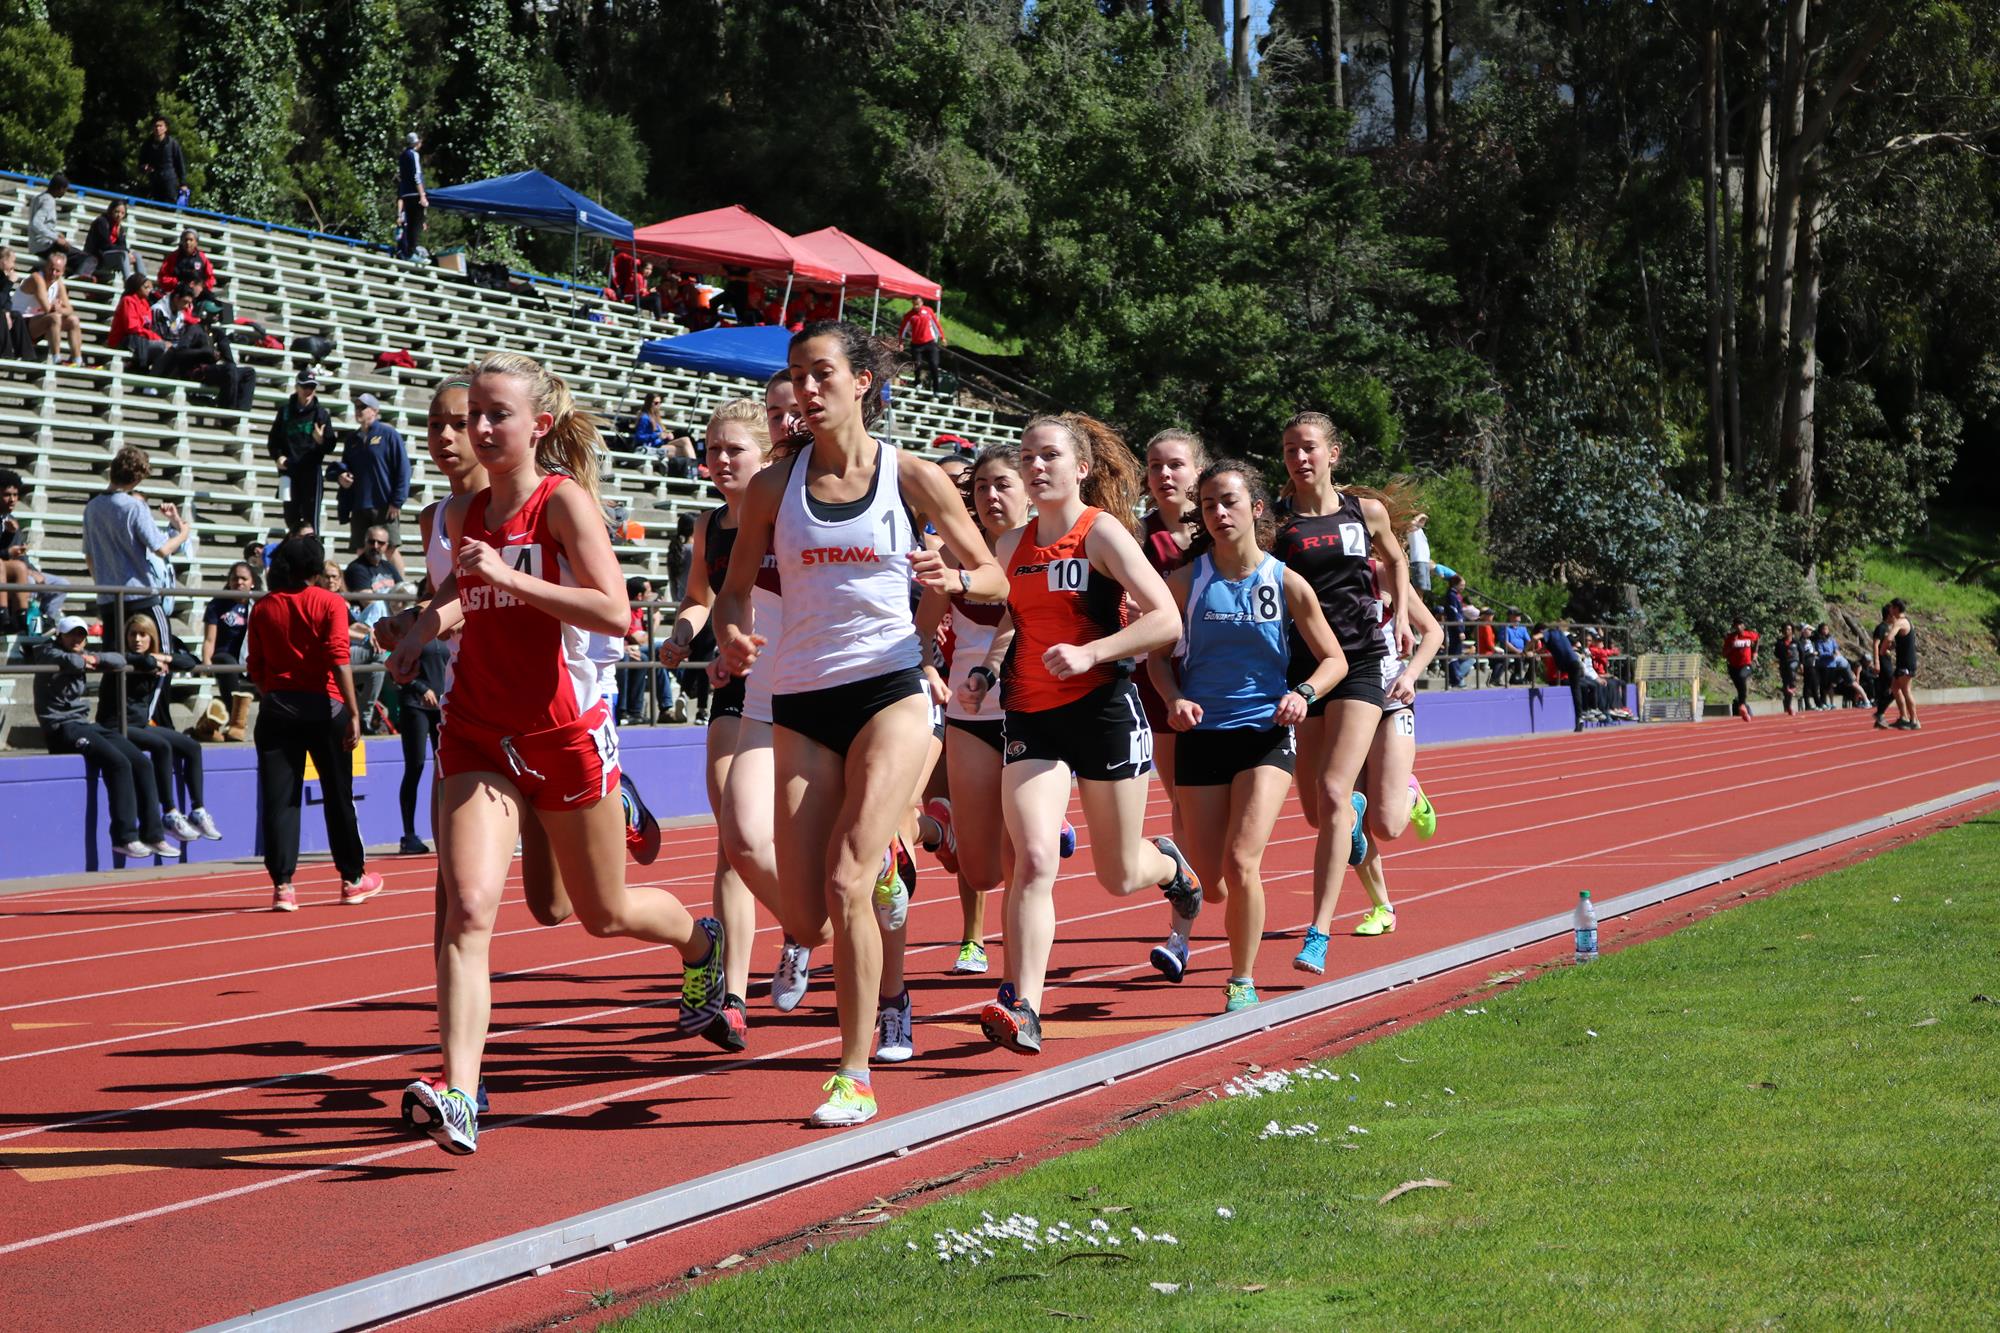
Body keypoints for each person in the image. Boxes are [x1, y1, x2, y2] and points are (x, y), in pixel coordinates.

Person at [387, 351, 721, 1156]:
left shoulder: (560, 503)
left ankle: (701, 944)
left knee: (592, 913)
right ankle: (462, 1092)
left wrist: (511, 576)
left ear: (537, 425)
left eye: (495, 414)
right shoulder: (459, 514)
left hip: (563, 731)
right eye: (473, 415)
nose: (477, 428)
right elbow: (459, 594)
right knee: (467, 909)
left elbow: (616, 614)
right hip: (477, 732)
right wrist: (417, 632)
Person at [711, 322, 1003, 1127]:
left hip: (892, 690)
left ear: (862, 381)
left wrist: (957, 572)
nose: (805, 390)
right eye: (796, 376)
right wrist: (733, 630)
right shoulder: (774, 486)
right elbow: (736, 588)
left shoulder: (907, 476)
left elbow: (996, 575)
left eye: (821, 374)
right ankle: (884, 874)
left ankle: (852, 1071)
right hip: (803, 699)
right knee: (807, 918)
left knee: (844, 878)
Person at [958, 413, 1196, 1050]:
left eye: (1050, 457)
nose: (1036, 467)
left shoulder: (1103, 534)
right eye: (1028, 456)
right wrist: (985, 671)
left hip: (1105, 711)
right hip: (1032, 716)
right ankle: (1026, 1007)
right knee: (1033, 858)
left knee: (1118, 874)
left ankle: (1168, 867)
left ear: (1080, 468)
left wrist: (1094, 653)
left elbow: (1166, 620)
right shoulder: (1012, 547)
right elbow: (1015, 624)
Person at [1150, 460, 1348, 1012]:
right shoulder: (1187, 582)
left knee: (1242, 863)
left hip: (1265, 733)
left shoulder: (1285, 580)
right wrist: (1173, 698)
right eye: (1209, 504)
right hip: (1201, 735)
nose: (1218, 513)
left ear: (1255, 509)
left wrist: (1303, 694)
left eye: (1229, 501)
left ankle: (1241, 979)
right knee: (1211, 882)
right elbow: (1157, 658)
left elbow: (1333, 658)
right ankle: (1182, 882)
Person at [656, 397, 794, 1049]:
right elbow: (700, 597)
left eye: (733, 449)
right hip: (733, 684)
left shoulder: (784, 514)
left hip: (797, 684)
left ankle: (802, 921)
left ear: (763, 455)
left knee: (785, 832)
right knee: (732, 840)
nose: (718, 461)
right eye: (711, 450)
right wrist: (683, 636)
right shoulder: (711, 525)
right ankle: (732, 994)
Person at [1274, 412, 1413, 974]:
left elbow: (1397, 561)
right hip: (1303, 668)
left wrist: (1400, 616)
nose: (1299, 459)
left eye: (1309, 448)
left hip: (1359, 662)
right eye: (1289, 450)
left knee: (1333, 790)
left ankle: (1318, 932)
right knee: (1315, 809)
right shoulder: (1276, 526)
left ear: (1334, 454)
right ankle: (1350, 812)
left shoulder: (1366, 513)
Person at [928, 444, 1030, 976]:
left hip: (1031, 712)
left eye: (1002, 485)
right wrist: (928, 667)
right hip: (968, 713)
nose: (991, 496)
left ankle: (1014, 963)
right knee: (978, 862)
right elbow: (922, 633)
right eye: (982, 487)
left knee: (1019, 846)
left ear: (1027, 492)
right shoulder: (953, 554)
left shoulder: (1046, 550)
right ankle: (974, 929)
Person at [247, 534, 381, 910]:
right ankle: (352, 878)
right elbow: (339, 658)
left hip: (276, 709)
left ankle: (283, 886)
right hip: (325, 708)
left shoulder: (264, 607)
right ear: (315, 569)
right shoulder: (330, 602)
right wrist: (354, 713)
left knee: (279, 799)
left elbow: (255, 667)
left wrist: (275, 694)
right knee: (338, 796)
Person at [30, 616, 176, 859]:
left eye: (81, 635)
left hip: (83, 724)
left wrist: (95, 658)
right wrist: (82, 660)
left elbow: (118, 659)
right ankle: (125, 837)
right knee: (118, 763)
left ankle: (154, 834)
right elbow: (67, 660)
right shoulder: (48, 651)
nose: (77, 639)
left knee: (141, 761)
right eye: (72, 634)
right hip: (61, 727)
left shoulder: (83, 651)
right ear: (60, 635)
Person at [1136, 428, 1206, 852]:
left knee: (1220, 790)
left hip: (1221, 669)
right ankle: (1191, 893)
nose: (1164, 474)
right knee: (1181, 794)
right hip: (1160, 674)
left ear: (1197, 471)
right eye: (1155, 466)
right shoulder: (1136, 536)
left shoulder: (1222, 528)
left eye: (1176, 464)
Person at [96, 612, 220, 843]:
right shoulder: (121, 656)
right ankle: (170, 813)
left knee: (192, 746)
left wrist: (164, 658)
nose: (137, 639)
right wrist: (154, 661)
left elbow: (190, 662)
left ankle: (198, 810)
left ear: (152, 637)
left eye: (143, 635)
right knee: (162, 746)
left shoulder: (154, 655)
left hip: (140, 723)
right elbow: (139, 661)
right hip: (115, 725)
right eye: (133, 634)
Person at [81, 446, 192, 647]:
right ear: (137, 478)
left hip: (109, 597)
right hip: (140, 595)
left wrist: (103, 582)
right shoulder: (134, 506)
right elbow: (162, 549)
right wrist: (183, 533)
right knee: (163, 656)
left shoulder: (92, 507)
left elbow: (89, 555)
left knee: (115, 661)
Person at [344, 525, 403, 731]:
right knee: (383, 658)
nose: (375, 546)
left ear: (387, 546)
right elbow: (369, 601)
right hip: (371, 632)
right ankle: (368, 718)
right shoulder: (356, 569)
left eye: (381, 543)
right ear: (365, 542)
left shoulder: (389, 568)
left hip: (390, 630)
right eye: (371, 542)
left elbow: (403, 597)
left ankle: (396, 717)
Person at [339, 393, 411, 553]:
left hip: (384, 503)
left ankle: (399, 579)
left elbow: (403, 468)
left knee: (390, 548)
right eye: (356, 407)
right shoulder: (352, 439)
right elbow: (345, 466)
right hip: (359, 503)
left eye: (363, 407)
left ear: (374, 411)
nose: (358, 410)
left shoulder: (388, 434)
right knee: (361, 550)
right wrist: (342, 475)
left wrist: (397, 500)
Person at [1, 467, 68, 631]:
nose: (12, 500)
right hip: (9, 572)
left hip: (20, 570)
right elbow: (7, 554)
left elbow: (21, 556)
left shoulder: (11, 520)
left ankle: (45, 622)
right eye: (7, 495)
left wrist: (33, 570)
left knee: (60, 584)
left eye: (15, 495)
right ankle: (15, 620)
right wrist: (10, 549)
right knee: (26, 577)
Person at [268, 369, 337, 530]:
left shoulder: (321, 414)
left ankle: (311, 552)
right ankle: (295, 549)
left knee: (311, 518)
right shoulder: (285, 411)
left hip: (311, 472)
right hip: (289, 471)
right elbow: (273, 440)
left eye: (312, 387)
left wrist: (321, 440)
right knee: (290, 516)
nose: (308, 391)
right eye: (305, 386)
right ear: (297, 387)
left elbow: (330, 445)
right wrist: (278, 456)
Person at [201, 560, 257, 737]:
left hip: (249, 658)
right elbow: (210, 639)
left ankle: (206, 725)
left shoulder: (258, 604)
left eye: (243, 579)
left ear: (252, 582)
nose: (239, 582)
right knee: (226, 661)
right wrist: (206, 663)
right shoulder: (217, 604)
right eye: (235, 578)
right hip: (223, 656)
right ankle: (237, 722)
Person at [23, 248, 84, 365]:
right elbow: (47, 309)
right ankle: (56, 358)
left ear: (63, 271)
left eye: (57, 271)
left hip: (42, 322)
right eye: (51, 269)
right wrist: (57, 309)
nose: (53, 273)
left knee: (73, 320)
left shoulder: (59, 283)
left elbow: (70, 310)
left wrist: (59, 308)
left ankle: (78, 360)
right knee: (54, 318)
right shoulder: (37, 278)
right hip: (23, 323)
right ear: (46, 266)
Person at [106, 272, 167, 375]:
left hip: (140, 339)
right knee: (161, 346)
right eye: (145, 287)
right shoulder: (128, 300)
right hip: (124, 340)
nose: (149, 290)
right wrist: (154, 337)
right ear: (137, 287)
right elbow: (132, 327)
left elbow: (148, 326)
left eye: (150, 287)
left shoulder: (145, 303)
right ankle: (139, 367)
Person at [24, 174, 86, 269]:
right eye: (65, 190)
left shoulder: (38, 197)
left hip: (35, 245)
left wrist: (56, 234)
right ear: (60, 188)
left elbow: (41, 224)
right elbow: (36, 223)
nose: (65, 192)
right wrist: (56, 238)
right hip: (45, 246)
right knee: (84, 258)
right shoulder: (49, 201)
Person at [80, 199, 138, 284]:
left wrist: (120, 237)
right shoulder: (102, 222)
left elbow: (123, 245)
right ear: (111, 211)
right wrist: (126, 251)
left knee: (136, 255)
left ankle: (141, 282)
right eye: (117, 212)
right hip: (98, 257)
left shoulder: (119, 228)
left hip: (109, 256)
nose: (119, 215)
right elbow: (106, 245)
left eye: (122, 213)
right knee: (123, 254)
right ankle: (128, 282)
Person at [137, 115, 189, 204]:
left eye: (160, 126)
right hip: (154, 180)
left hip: (169, 180)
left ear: (166, 128)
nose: (157, 128)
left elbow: (180, 164)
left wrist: (183, 184)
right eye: (155, 126)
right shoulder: (147, 144)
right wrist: (144, 167)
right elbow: (141, 162)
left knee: (170, 204)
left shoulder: (172, 144)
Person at [899, 295, 946, 392]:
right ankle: (917, 382)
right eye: (914, 304)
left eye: (918, 304)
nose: (916, 306)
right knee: (917, 364)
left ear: (922, 303)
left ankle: (936, 388)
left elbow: (936, 324)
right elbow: (902, 330)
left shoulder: (928, 311)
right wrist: (901, 342)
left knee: (934, 364)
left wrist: (942, 337)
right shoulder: (909, 315)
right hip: (916, 345)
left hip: (930, 343)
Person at [1885, 599, 1919, 730]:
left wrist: (1884, 647)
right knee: (1895, 687)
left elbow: (1889, 637)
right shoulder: (1906, 622)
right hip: (1902, 661)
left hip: (1907, 662)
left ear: (1897, 608)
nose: (1890, 610)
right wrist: (1892, 646)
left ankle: (1914, 720)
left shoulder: (1900, 622)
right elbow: (1900, 641)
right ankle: (1904, 717)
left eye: (1892, 608)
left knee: (1906, 690)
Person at [396, 133, 427, 261]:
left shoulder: (403, 155)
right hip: (414, 193)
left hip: (406, 193)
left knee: (409, 224)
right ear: (417, 142)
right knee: (416, 224)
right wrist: (422, 195)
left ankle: (406, 251)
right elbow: (416, 175)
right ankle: (411, 252)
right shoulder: (414, 155)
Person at [157, 229, 217, 294]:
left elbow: (211, 278)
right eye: (185, 240)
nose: (188, 243)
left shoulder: (202, 257)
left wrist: (201, 286)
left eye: (191, 240)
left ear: (196, 242)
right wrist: (177, 283)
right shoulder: (173, 257)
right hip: (176, 293)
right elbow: (163, 277)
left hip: (197, 294)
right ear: (181, 241)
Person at [1723, 618, 1758, 722]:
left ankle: (1742, 705)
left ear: (1744, 626)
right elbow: (1724, 654)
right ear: (1734, 626)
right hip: (1733, 667)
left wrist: (1755, 653)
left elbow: (1757, 639)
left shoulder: (1750, 634)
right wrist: (1732, 647)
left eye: (1740, 624)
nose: (1738, 627)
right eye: (1736, 625)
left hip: (1746, 665)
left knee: (1742, 677)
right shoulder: (1730, 638)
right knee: (1740, 689)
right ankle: (1745, 711)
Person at [1441, 574, 1470, 687]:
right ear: (1455, 584)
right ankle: (1455, 679)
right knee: (1454, 654)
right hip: (1454, 629)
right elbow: (1454, 614)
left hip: (1456, 628)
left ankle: (1456, 678)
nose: (1463, 587)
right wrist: (1459, 630)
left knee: (1456, 653)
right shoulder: (1452, 596)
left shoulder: (1455, 595)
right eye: (1462, 585)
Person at [0, 247, 27, 359]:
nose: (13, 266)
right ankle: (6, 354)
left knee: (16, 315)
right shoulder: (5, 280)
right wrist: (9, 283)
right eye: (12, 261)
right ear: (3, 261)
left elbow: (7, 302)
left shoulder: (2, 276)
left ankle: (26, 355)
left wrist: (7, 312)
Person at [1775, 622, 1802, 716]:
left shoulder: (1796, 641)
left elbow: (1801, 652)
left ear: (1792, 631)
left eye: (1789, 629)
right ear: (1783, 631)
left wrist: (1801, 664)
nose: (1787, 631)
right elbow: (1776, 654)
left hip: (1794, 662)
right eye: (1785, 629)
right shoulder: (1780, 642)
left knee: (1791, 668)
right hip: (1784, 664)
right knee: (1786, 687)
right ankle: (1788, 705)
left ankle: (1793, 685)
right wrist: (1784, 653)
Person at [1407, 512, 1433, 593]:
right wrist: (1421, 515)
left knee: (1424, 588)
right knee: (1419, 588)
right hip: (1418, 560)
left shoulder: (1420, 531)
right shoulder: (1412, 530)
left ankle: (1421, 604)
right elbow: (1411, 524)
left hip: (1424, 561)